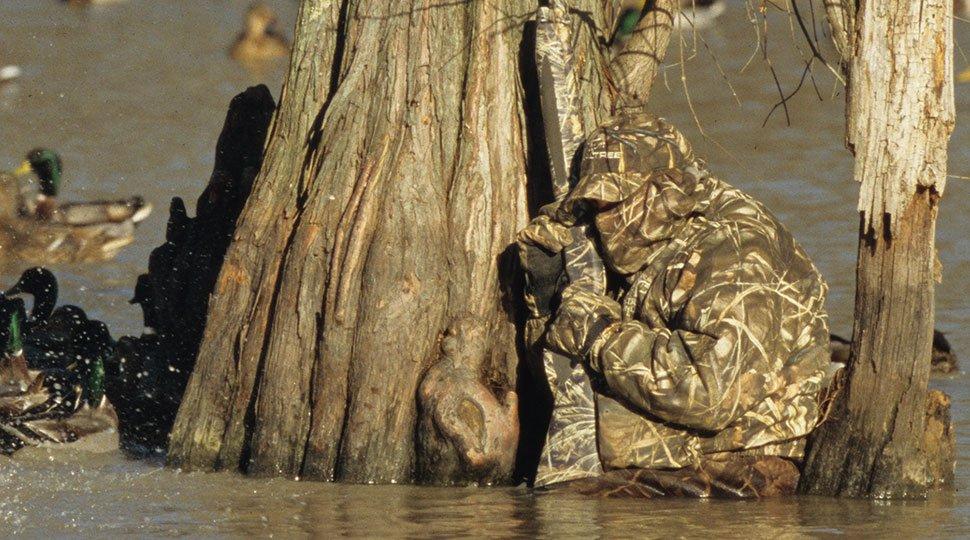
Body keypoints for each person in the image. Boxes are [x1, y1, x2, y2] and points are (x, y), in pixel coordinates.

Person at [517, 111, 832, 498]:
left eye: (615, 202)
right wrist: (547, 302)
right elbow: (566, 381)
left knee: (562, 502)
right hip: (685, 450)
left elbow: (711, 393)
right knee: (545, 487)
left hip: (748, 465)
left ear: (666, 188)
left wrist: (599, 335)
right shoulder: (652, 242)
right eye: (594, 208)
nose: (603, 222)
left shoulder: (736, 251)